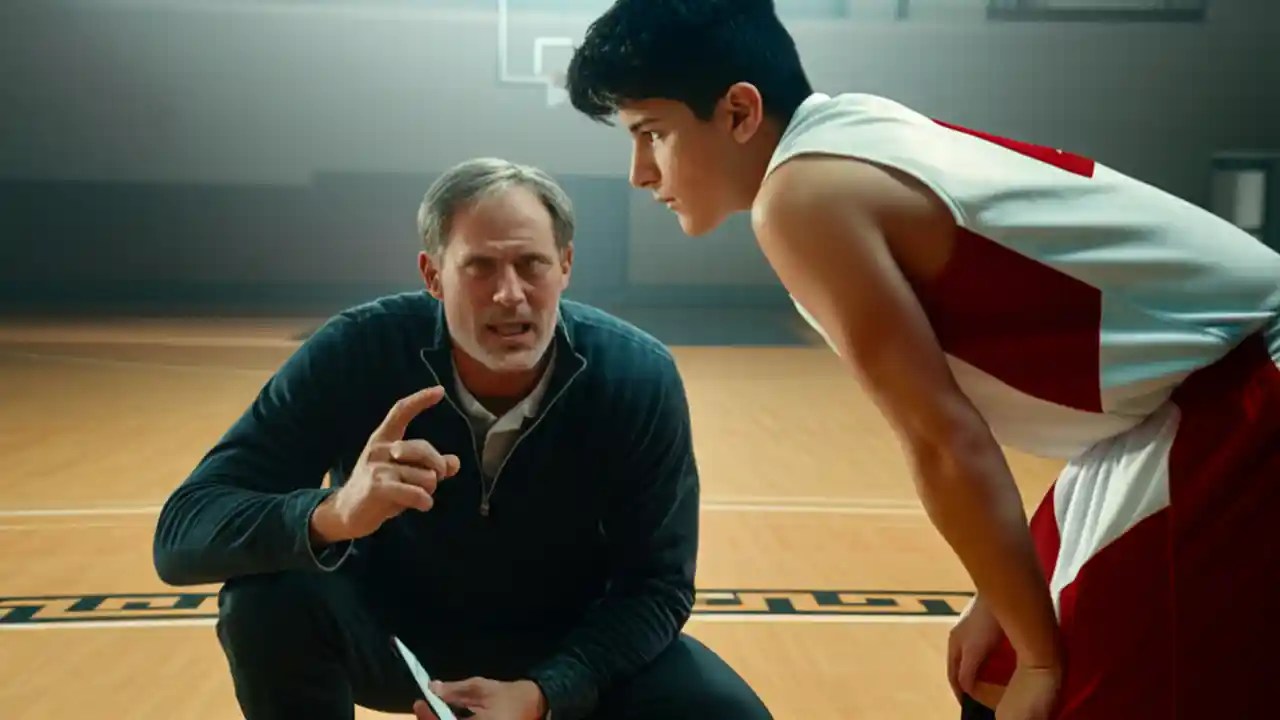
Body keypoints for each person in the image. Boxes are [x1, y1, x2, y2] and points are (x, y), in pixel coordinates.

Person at [561, 1, 1280, 719]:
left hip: (1239, 386)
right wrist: (1000, 598)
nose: (639, 173)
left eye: (652, 134)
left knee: (1064, 690)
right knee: (992, 671)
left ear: (740, 112)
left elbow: (944, 440)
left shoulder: (801, 197)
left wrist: (1039, 656)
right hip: (1170, 406)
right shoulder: (848, 131)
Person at [151, 157, 773, 720]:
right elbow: (182, 532)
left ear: (565, 266)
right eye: (480, 266)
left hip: (564, 643)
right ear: (433, 274)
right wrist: (333, 514)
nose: (510, 293)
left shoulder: (636, 376)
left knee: (724, 713)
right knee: (264, 599)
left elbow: (658, 586)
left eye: (531, 264)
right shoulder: (356, 352)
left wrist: (547, 693)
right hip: (395, 644)